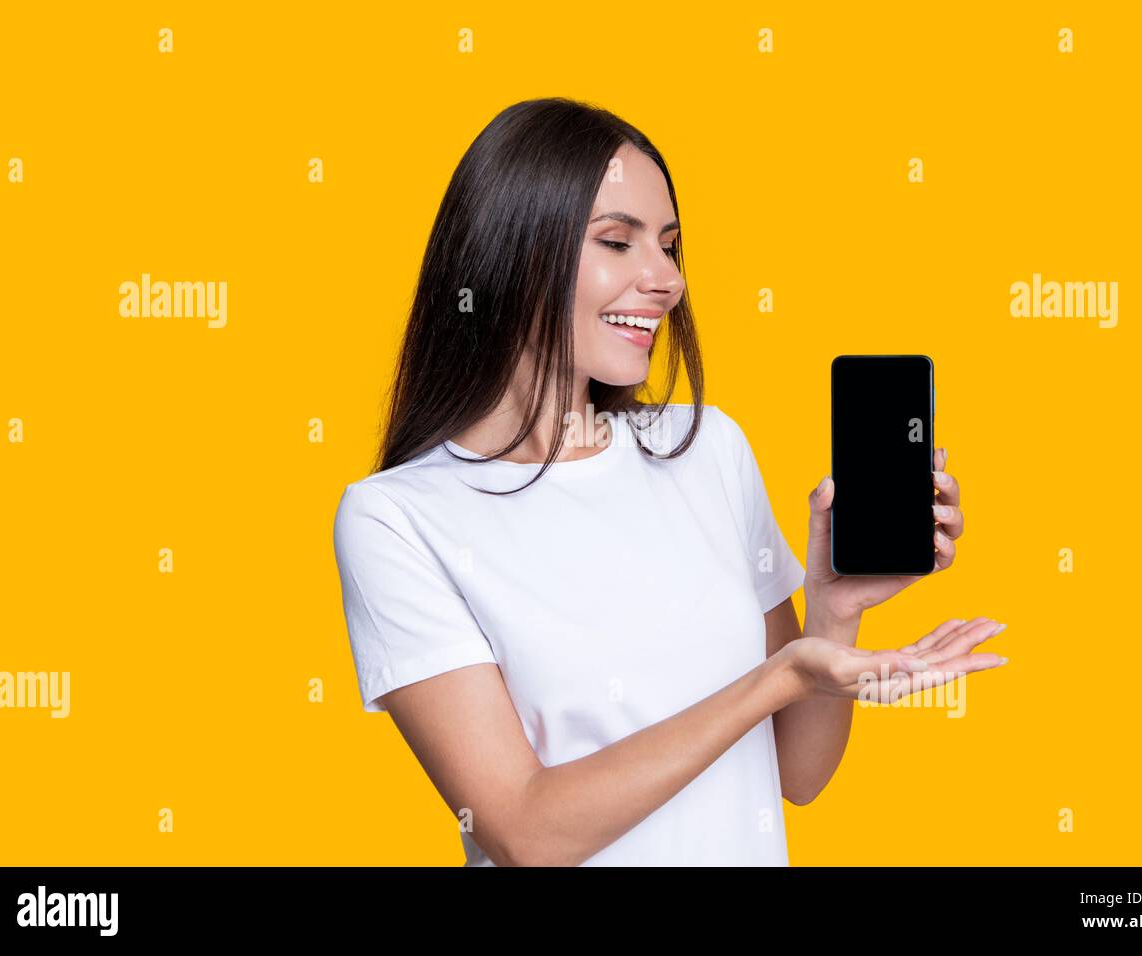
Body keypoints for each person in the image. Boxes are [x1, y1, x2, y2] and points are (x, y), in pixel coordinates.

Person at [331, 97, 1007, 867]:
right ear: (510, 254)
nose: (667, 280)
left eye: (670, 246)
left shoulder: (706, 449)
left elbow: (796, 774)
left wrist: (833, 610)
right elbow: (525, 832)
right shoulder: (397, 520)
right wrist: (778, 678)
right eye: (617, 242)